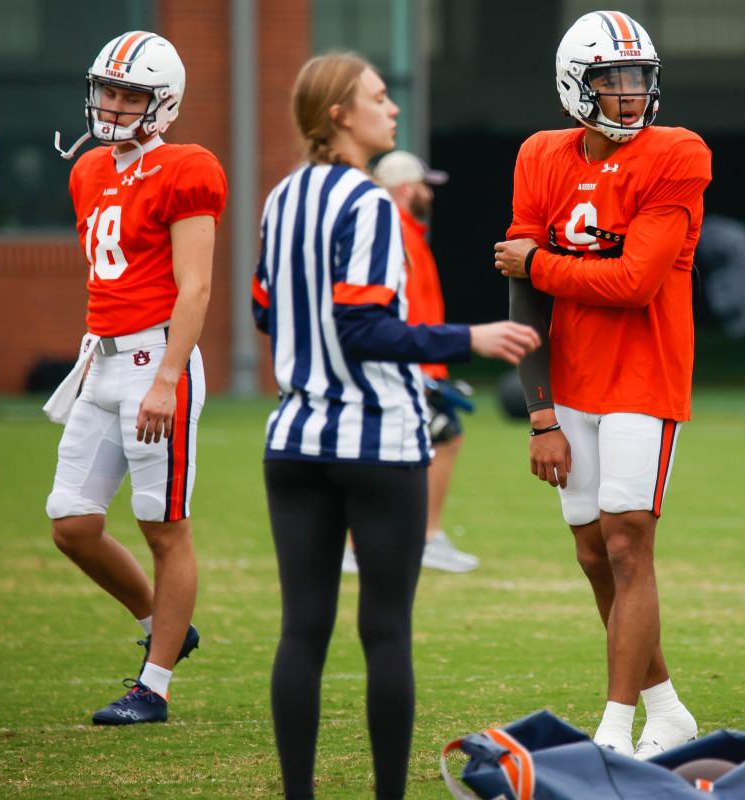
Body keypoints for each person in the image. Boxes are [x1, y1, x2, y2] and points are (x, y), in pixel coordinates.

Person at [254, 53, 537, 800]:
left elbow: (263, 310)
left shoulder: (282, 198)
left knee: (301, 632)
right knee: (385, 633)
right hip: (376, 440)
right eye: (379, 98)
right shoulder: (372, 202)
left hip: (293, 439)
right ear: (339, 116)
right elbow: (365, 328)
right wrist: (466, 339)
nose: (394, 108)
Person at [494, 10, 710, 758]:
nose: (629, 94)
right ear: (574, 88)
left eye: (638, 78)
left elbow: (632, 281)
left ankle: (615, 728)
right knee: (593, 553)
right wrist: (540, 413)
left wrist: (540, 264)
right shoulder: (540, 155)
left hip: (644, 379)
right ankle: (666, 707)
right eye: (612, 80)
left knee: (627, 545)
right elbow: (523, 301)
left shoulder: (677, 153)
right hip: (572, 383)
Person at [44, 31, 224, 725]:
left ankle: (153, 686)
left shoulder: (188, 165)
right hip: (102, 359)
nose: (114, 106)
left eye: (130, 95)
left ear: (164, 104)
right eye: (108, 91)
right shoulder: (86, 170)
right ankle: (165, 623)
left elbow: (196, 286)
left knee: (163, 527)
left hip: (156, 358)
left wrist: (169, 377)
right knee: (72, 523)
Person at [363, 150, 479, 573]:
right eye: (425, 185)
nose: (430, 194)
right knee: (432, 441)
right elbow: (398, 309)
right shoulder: (394, 234)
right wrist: (424, 372)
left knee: (406, 449)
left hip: (416, 363)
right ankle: (422, 537)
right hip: (408, 365)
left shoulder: (404, 232)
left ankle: (380, 543)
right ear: (406, 188)